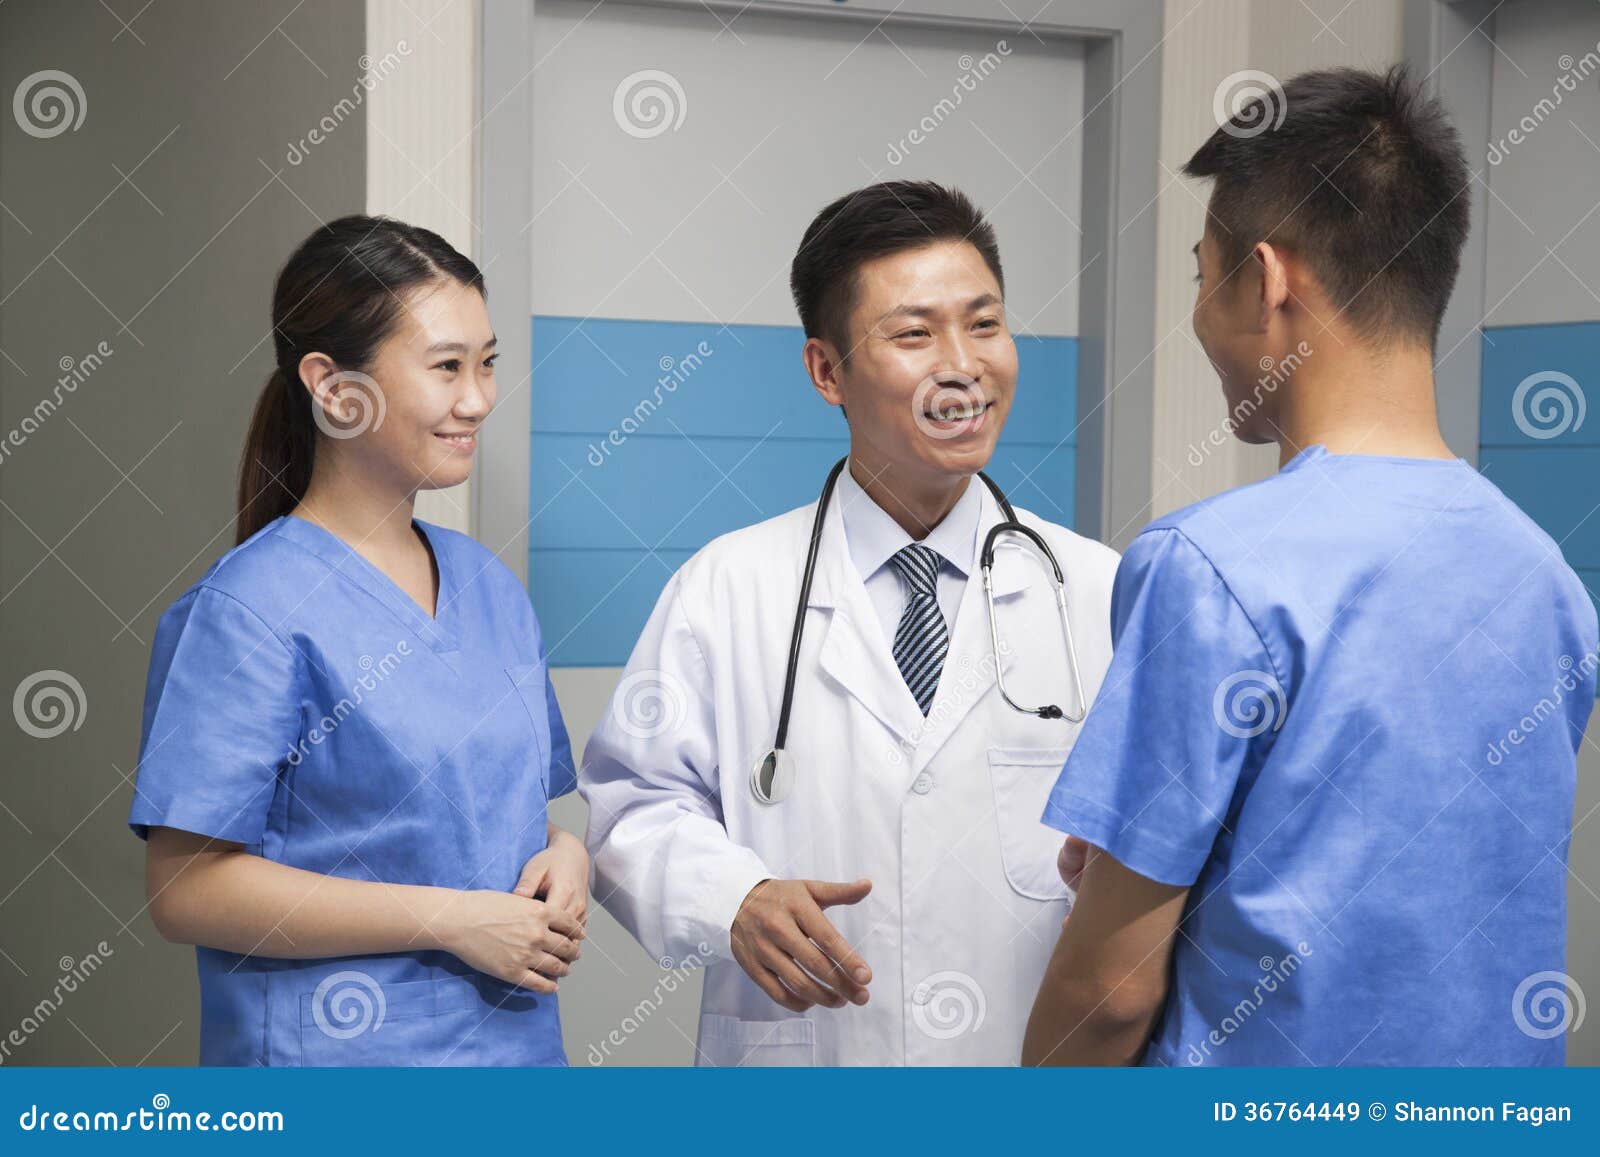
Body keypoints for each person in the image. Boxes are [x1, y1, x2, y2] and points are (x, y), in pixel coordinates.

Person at [1022, 66, 1599, 1067]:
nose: (1202, 314)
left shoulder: (1207, 568)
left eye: (1202, 276)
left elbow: (1108, 994)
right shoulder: (1544, 578)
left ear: (1266, 280)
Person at [581, 181, 1119, 1065]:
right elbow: (629, 807)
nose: (963, 363)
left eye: (984, 324)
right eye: (914, 334)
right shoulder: (727, 587)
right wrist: (734, 897)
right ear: (826, 370)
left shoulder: (1096, 589)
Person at [128, 215, 588, 1066]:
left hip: (515, 1058)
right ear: (336, 389)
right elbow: (185, 889)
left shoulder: (489, 587)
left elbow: (500, 814)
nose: (478, 398)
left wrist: (567, 854)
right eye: (447, 367)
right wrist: (451, 919)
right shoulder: (250, 608)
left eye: (487, 364)